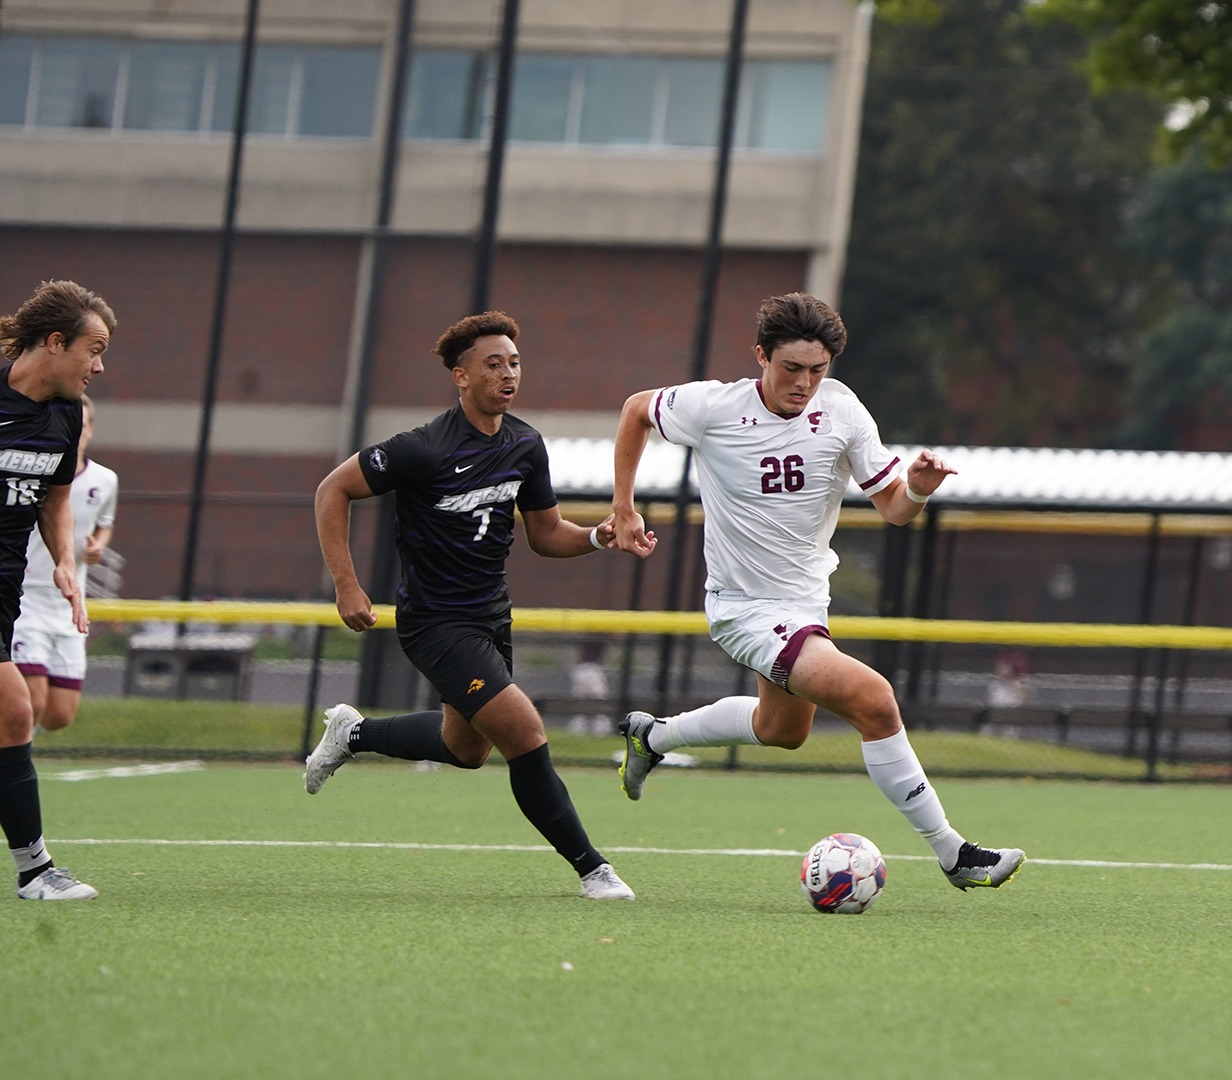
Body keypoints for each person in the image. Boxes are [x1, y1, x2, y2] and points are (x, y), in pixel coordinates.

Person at [608, 292, 1024, 891]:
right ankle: (954, 853)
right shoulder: (712, 406)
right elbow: (634, 411)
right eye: (791, 369)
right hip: (744, 609)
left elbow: (894, 509)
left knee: (783, 730)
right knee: (875, 699)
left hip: (805, 605)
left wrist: (920, 487)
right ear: (761, 356)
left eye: (818, 370)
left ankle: (652, 737)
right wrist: (623, 507)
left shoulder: (843, 411)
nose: (804, 383)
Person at [306, 311, 634, 901]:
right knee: (525, 732)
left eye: (514, 363)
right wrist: (346, 585)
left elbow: (545, 534)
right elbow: (333, 490)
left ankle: (352, 735)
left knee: (466, 749)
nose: (508, 374)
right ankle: (593, 868)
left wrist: (595, 537)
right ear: (460, 376)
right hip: (435, 623)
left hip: (490, 619)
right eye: (493, 364)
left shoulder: (526, 445)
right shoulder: (422, 449)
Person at [0, 280, 111, 901]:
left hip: (6, 590)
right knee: (14, 711)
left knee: (13, 713)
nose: (98, 366)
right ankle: (36, 871)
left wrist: (65, 562)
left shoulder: (65, 415)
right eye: (92, 350)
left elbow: (57, 497)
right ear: (54, 342)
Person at [15, 394, 117, 737]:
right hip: (27, 598)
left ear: (90, 430)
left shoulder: (105, 480)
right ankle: (14, 771)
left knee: (59, 715)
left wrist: (98, 547)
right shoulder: (36, 472)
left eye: (84, 425)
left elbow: (104, 524)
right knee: (32, 702)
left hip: (70, 603)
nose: (77, 432)